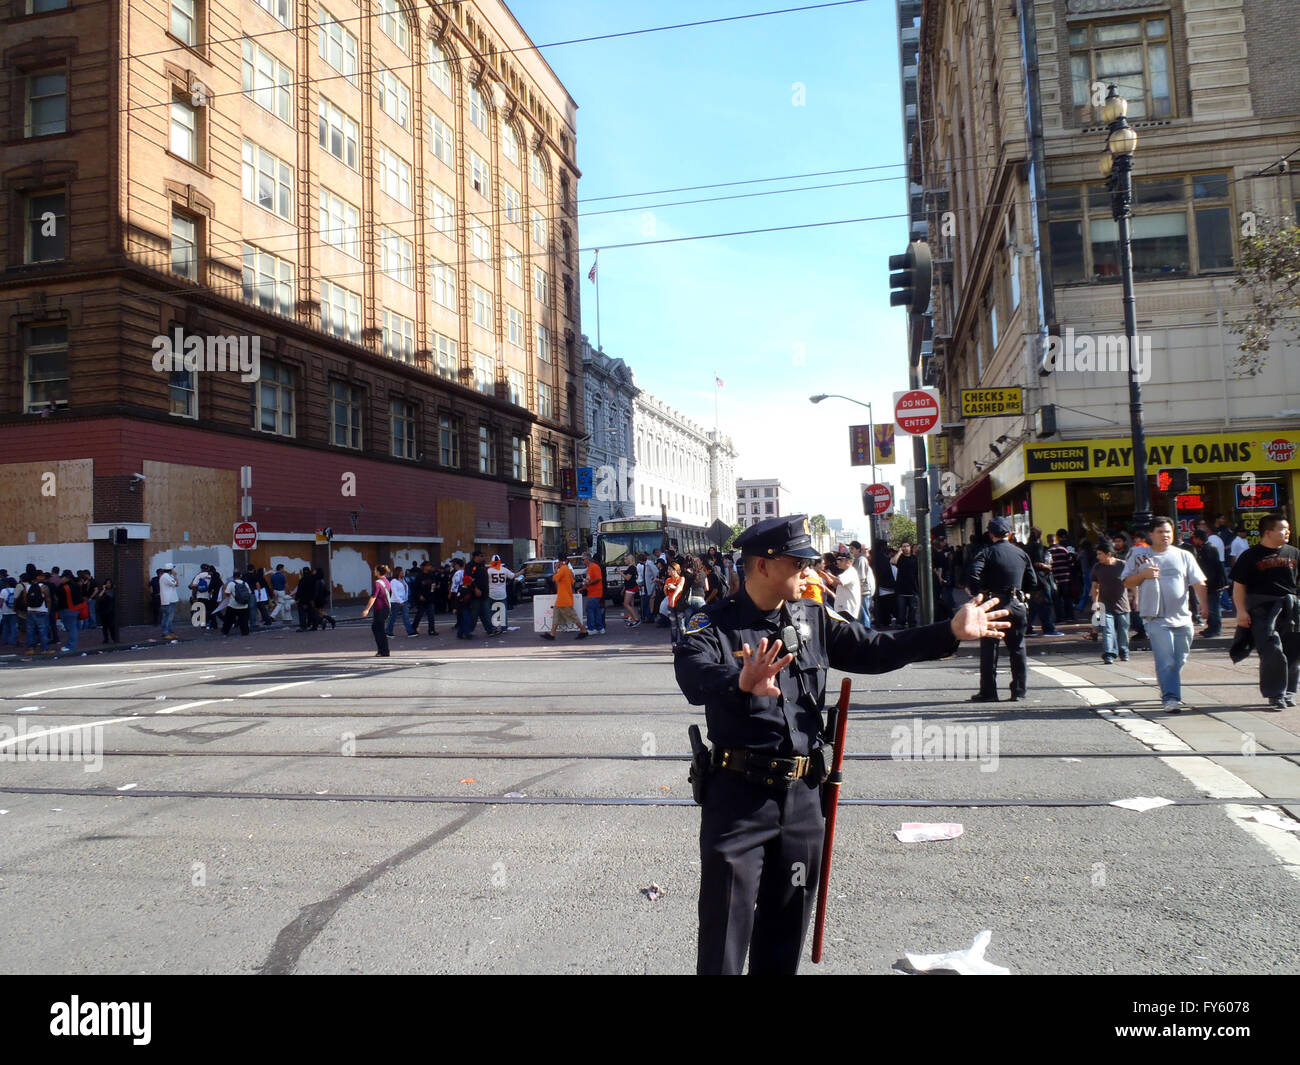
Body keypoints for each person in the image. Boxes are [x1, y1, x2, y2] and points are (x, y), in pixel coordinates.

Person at [674, 514, 1009, 975]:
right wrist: (740, 681)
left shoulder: (812, 617)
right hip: (739, 802)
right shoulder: (710, 623)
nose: (810, 572)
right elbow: (693, 674)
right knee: (724, 937)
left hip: (802, 802)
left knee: (785, 932)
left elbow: (875, 648)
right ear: (763, 566)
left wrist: (947, 633)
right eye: (799, 563)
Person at [1122, 518, 1208, 712]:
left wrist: (1204, 605)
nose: (1165, 535)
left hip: (1183, 616)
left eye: (1168, 532)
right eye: (1161, 532)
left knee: (1179, 659)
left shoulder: (1184, 555)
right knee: (1166, 659)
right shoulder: (1138, 554)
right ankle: (1171, 698)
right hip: (1155, 617)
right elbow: (1127, 582)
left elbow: (1199, 581)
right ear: (1151, 534)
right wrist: (1143, 575)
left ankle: (1168, 684)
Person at [1230, 515, 1299, 710]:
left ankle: (1288, 692)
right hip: (1261, 611)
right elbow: (1239, 586)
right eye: (1282, 529)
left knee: (1292, 652)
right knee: (1272, 651)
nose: (1287, 532)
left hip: (1291, 609)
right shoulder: (1250, 556)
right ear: (1268, 532)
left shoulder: (1294, 553)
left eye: (1288, 529)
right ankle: (1275, 694)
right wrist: (1241, 612)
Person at [966, 516, 1036, 701]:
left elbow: (973, 573)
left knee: (990, 648)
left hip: (994, 604)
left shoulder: (986, 552)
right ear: (1010, 533)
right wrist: (1023, 594)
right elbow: (1033, 581)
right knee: (1018, 648)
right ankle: (1019, 691)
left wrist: (979, 591)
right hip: (1017, 604)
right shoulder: (1021, 553)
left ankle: (989, 691)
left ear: (991, 535)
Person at [1090, 542, 1130, 664]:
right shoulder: (1097, 568)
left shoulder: (1122, 565)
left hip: (1122, 605)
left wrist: (1136, 599)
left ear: (1109, 554)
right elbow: (1095, 586)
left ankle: (1123, 652)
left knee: (1123, 632)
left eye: (1100, 554)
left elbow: (1132, 583)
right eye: (1097, 554)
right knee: (1107, 630)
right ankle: (1109, 654)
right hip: (1104, 605)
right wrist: (1095, 603)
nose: (1097, 557)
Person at [1024, 528, 1061, 637]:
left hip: (1029, 579)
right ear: (1040, 536)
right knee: (1046, 604)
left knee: (1033, 606)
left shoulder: (1026, 547)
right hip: (1041, 580)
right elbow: (1037, 563)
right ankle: (1049, 628)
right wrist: (1048, 567)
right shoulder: (1037, 546)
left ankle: (1027, 628)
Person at [540, 556, 589, 640]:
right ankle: (552, 634)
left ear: (560, 562)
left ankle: (583, 630)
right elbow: (572, 581)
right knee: (556, 616)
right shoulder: (568, 570)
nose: (557, 564)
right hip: (563, 598)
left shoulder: (563, 569)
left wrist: (555, 569)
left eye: (558, 562)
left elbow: (554, 578)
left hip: (564, 599)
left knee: (572, 616)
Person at [1189, 530, 1226, 637]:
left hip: (1213, 584)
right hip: (1213, 583)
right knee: (1211, 606)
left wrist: (1207, 583)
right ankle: (1211, 627)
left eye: (1195, 538)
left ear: (1199, 539)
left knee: (1213, 607)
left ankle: (1215, 629)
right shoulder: (1206, 549)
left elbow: (1209, 570)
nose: (1193, 541)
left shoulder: (1208, 550)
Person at [360, 564, 393, 657]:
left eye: (375, 570)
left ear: (378, 572)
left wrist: (366, 610)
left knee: (379, 630)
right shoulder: (386, 581)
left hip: (380, 609)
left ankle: (384, 651)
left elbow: (373, 597)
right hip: (386, 608)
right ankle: (383, 650)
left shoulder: (377, 583)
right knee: (377, 628)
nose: (374, 572)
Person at [486, 554, 515, 636]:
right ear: (499, 561)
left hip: (492, 593)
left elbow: (486, 581)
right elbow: (513, 576)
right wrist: (520, 572)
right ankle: (504, 628)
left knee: (492, 611)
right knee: (503, 611)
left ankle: (493, 627)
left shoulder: (489, 570)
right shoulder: (504, 570)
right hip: (502, 593)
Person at [892, 542, 919, 628]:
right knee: (901, 609)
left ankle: (911, 623)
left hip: (913, 588)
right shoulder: (900, 558)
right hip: (901, 589)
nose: (905, 548)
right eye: (903, 546)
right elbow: (892, 561)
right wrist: (899, 552)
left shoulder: (915, 558)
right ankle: (901, 623)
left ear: (910, 548)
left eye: (907, 546)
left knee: (913, 608)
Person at [849, 540, 874, 629]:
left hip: (862, 592)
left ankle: (867, 633)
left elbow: (861, 578)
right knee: (861, 614)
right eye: (850, 548)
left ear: (858, 549)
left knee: (864, 614)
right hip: (860, 591)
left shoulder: (861, 559)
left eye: (852, 548)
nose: (850, 550)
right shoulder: (857, 559)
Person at [411, 560, 439, 636]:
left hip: (430, 598)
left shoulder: (431, 575)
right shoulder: (419, 576)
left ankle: (431, 630)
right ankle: (413, 628)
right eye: (428, 566)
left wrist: (434, 589)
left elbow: (433, 584)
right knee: (419, 614)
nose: (430, 567)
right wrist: (419, 596)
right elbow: (415, 588)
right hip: (422, 599)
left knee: (431, 615)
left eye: (430, 566)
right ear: (425, 567)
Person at [832, 551, 861, 623]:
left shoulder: (850, 572)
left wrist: (826, 574)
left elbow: (838, 581)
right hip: (844, 608)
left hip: (847, 609)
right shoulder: (847, 572)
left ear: (849, 561)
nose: (838, 562)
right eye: (838, 560)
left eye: (841, 560)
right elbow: (835, 584)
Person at [220, 571, 252, 636]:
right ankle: (245, 632)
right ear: (240, 576)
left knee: (229, 620)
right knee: (244, 621)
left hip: (233, 605)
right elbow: (249, 593)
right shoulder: (245, 583)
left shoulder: (231, 584)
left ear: (234, 577)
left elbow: (227, 593)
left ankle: (225, 631)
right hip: (244, 605)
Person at [579, 552, 604, 635]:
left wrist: (588, 584)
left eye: (583, 559)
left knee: (589, 609)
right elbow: (589, 580)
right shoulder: (590, 568)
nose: (582, 561)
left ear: (587, 559)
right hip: (593, 592)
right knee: (596, 610)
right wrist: (583, 588)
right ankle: (599, 627)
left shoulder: (594, 567)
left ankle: (591, 628)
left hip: (595, 592)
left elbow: (598, 579)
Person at [94, 579, 119, 643]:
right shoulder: (102, 591)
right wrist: (103, 590)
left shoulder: (113, 591)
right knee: (104, 627)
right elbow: (99, 598)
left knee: (111, 626)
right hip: (103, 611)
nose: (108, 584)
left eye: (109, 583)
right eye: (107, 583)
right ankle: (106, 639)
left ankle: (114, 638)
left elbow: (113, 599)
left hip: (110, 611)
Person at [158, 563, 179, 639]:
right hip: (168, 600)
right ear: (171, 570)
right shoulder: (166, 577)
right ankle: (166, 633)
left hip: (169, 600)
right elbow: (176, 584)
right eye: (173, 569)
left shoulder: (167, 576)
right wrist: (176, 576)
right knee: (168, 618)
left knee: (168, 617)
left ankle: (170, 632)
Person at [622, 559, 640, 625]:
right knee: (631, 604)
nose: (625, 560)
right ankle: (633, 619)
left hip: (631, 587)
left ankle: (636, 619)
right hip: (630, 587)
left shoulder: (632, 568)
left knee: (626, 604)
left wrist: (620, 572)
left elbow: (627, 578)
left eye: (626, 559)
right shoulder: (631, 567)